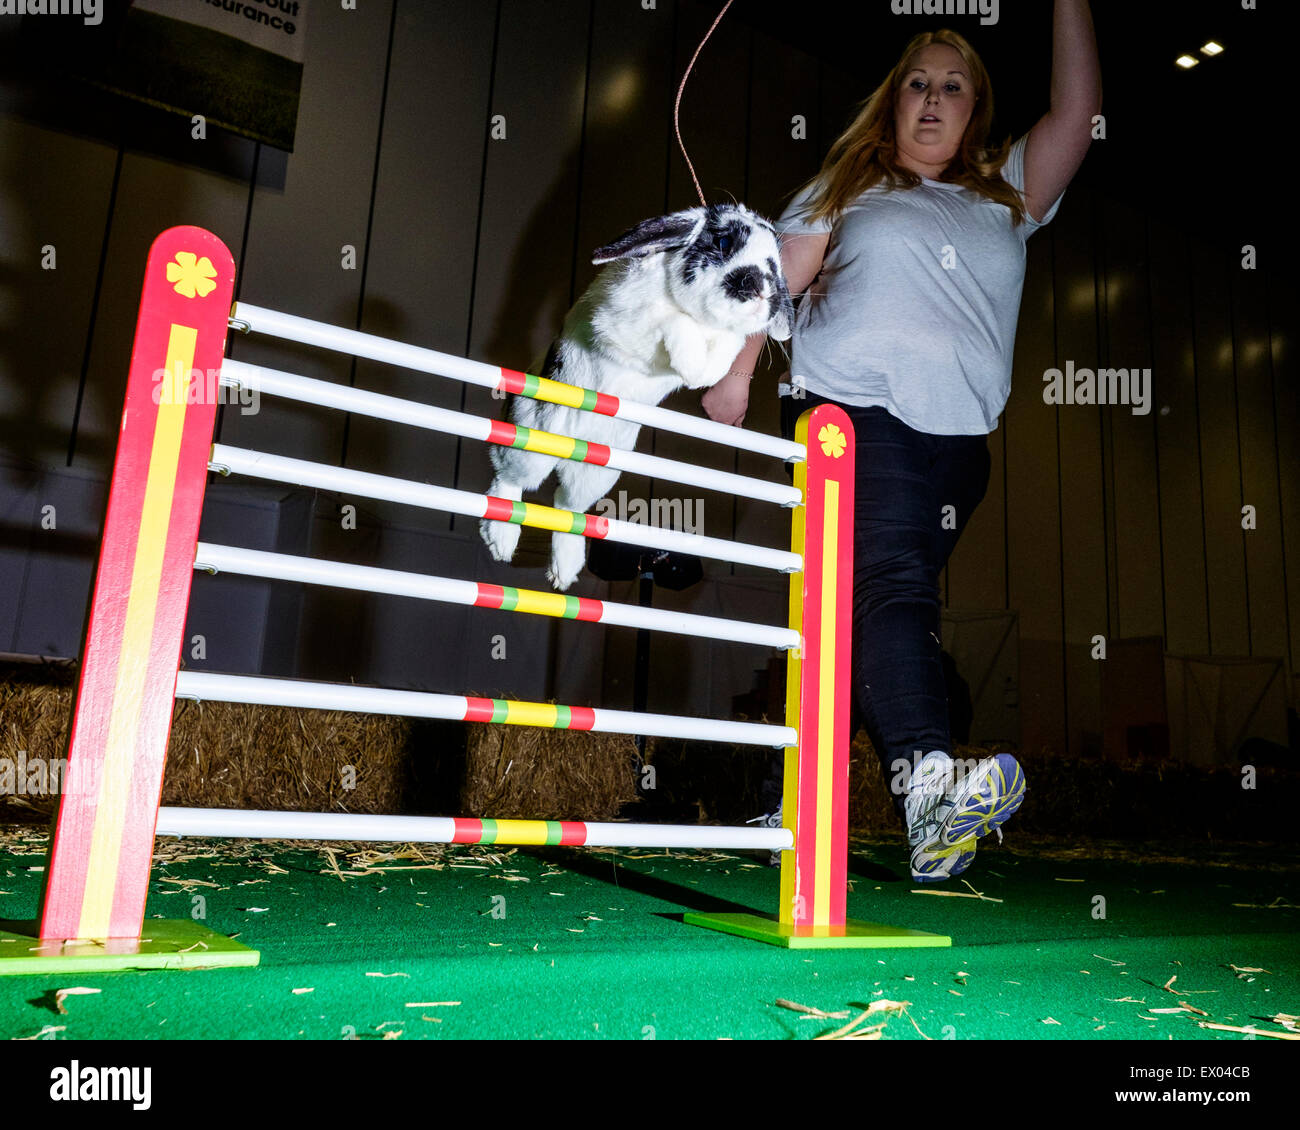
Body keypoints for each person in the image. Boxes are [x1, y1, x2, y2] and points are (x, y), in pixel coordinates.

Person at [706, 4, 1101, 881]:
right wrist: (737, 374)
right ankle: (926, 781)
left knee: (849, 619)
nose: (932, 99)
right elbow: (775, 277)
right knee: (893, 587)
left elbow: (1076, 114)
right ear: (891, 102)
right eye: (916, 83)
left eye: (952, 87)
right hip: (843, 410)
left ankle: (794, 799)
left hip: (958, 446)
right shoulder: (845, 183)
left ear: (977, 111)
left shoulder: (1008, 196)